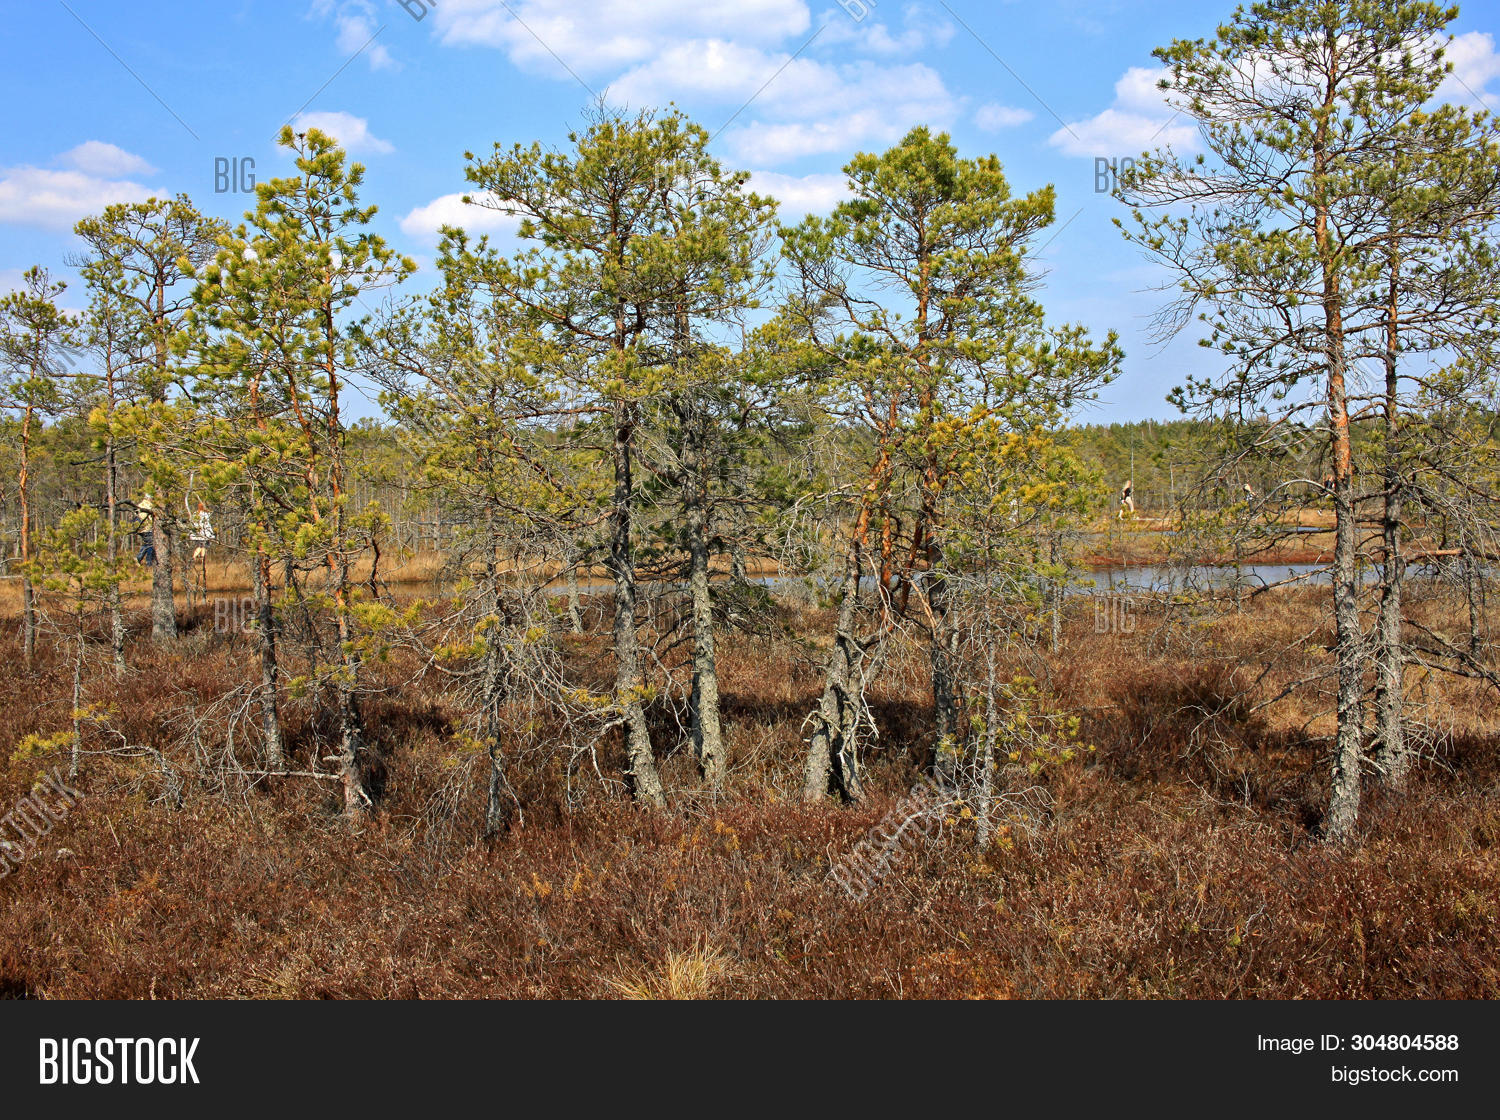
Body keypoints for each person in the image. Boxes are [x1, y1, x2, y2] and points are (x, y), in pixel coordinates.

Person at [135, 492, 156, 566]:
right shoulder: (150, 505)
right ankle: (148, 562)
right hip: (147, 528)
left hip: (140, 528)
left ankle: (140, 558)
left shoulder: (140, 504)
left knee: (147, 544)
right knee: (150, 545)